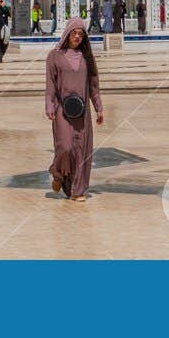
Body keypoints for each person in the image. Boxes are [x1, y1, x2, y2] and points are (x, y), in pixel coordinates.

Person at [44, 17, 104, 202]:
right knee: (65, 147)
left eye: (81, 34)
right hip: (62, 109)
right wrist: (50, 105)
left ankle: (77, 190)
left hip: (82, 111)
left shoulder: (87, 57)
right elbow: (50, 84)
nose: (77, 37)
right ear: (67, 34)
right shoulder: (54, 56)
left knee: (80, 150)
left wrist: (98, 107)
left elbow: (93, 85)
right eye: (74, 33)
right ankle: (58, 173)